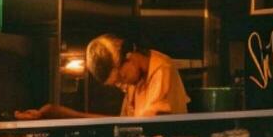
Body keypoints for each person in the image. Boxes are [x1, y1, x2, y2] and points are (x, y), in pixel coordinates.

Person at [16, 35, 190, 120]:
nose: (122, 84)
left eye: (121, 77)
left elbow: (143, 127)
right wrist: (55, 113)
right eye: (117, 83)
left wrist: (65, 114)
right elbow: (125, 123)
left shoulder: (161, 70)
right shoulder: (135, 78)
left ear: (129, 56)